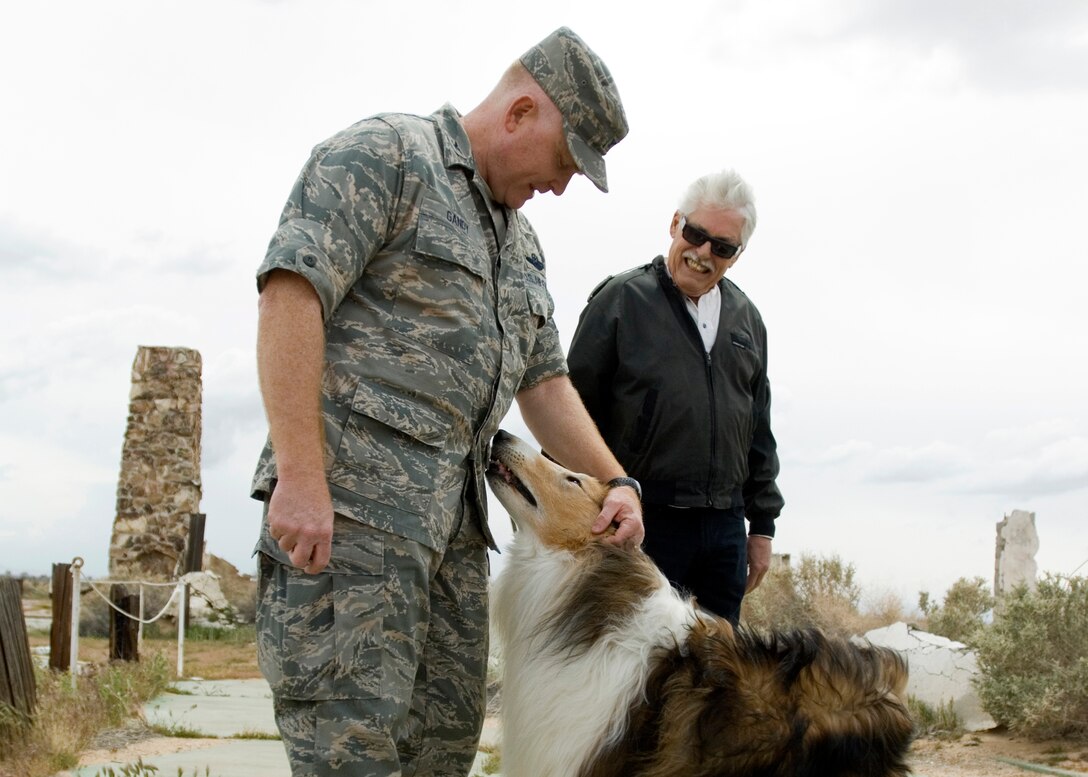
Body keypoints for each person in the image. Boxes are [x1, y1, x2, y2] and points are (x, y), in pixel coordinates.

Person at [250, 27, 644, 777]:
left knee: (441, 756)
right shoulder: (388, 157)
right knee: (350, 759)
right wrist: (300, 475)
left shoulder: (521, 245)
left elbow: (545, 382)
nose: (561, 187)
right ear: (522, 110)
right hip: (351, 534)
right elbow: (289, 296)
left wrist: (616, 479)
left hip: (453, 554)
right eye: (565, 163)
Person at [566, 169, 783, 625]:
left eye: (721, 246)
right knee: (634, 674)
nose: (703, 253)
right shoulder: (620, 301)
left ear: (736, 256)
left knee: (716, 681)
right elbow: (570, 414)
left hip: (724, 530)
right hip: (641, 522)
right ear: (675, 224)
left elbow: (757, 428)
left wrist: (761, 527)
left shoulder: (748, 320)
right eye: (696, 234)